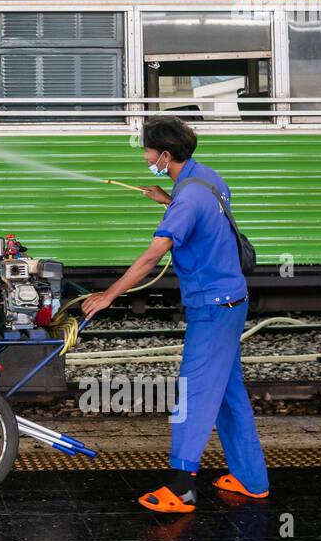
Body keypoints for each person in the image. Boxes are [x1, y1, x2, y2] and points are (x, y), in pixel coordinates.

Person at [80, 114, 269, 513]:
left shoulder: (186, 201)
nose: (146, 157)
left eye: (149, 151)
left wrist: (109, 295)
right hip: (232, 299)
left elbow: (152, 257)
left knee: (194, 393)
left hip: (213, 308)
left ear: (165, 155)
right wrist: (168, 200)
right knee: (228, 393)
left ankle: (183, 487)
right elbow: (209, 219)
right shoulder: (206, 179)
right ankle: (252, 479)